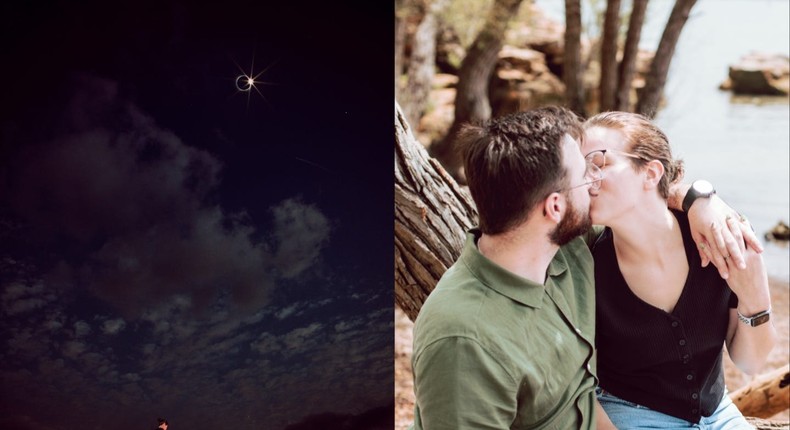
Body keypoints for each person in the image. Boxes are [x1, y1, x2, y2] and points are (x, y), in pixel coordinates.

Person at [409, 107, 757, 429]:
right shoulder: (464, 340)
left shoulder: (565, 250)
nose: (594, 182)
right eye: (584, 173)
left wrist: (700, 199)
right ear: (555, 207)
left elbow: (642, 198)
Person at [583, 112, 776, 429]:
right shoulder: (587, 262)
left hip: (718, 413)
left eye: (599, 163)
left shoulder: (717, 238)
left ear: (650, 173)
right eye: (580, 169)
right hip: (628, 414)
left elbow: (750, 362)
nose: (585, 179)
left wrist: (755, 296)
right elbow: (576, 384)